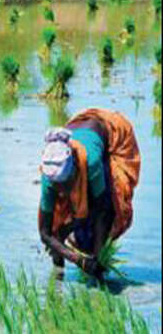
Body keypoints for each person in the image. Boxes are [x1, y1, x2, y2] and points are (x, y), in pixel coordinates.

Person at [38, 108, 141, 279]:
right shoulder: (49, 178)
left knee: (107, 207)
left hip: (110, 135)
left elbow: (102, 210)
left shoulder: (90, 162)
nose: (62, 191)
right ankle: (58, 273)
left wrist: (96, 258)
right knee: (57, 220)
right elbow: (45, 233)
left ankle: (95, 258)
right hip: (74, 130)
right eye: (59, 187)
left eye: (66, 184)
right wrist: (78, 260)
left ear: (75, 170)